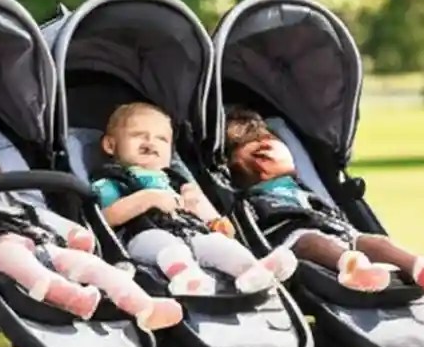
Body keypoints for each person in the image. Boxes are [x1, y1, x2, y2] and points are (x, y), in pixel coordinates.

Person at [0, 128, 183, 330]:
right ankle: (63, 293)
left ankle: (143, 306)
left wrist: (73, 233)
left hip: (42, 245)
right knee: (8, 254)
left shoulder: (18, 201)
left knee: (92, 264)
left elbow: (43, 217)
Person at [223, 106, 424, 293]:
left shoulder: (302, 187)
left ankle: (417, 266)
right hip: (291, 238)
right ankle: (353, 265)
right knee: (312, 243)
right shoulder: (246, 198)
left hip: (334, 229)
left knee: (375, 242)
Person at [91, 102, 297, 295]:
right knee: (166, 245)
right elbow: (105, 219)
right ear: (110, 145)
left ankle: (254, 271)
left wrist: (216, 221)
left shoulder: (176, 180)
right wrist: (147, 199)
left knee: (219, 244)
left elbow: (208, 216)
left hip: (190, 232)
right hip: (141, 237)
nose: (150, 143)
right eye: (138, 135)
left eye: (161, 139)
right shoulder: (112, 178)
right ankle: (187, 277)